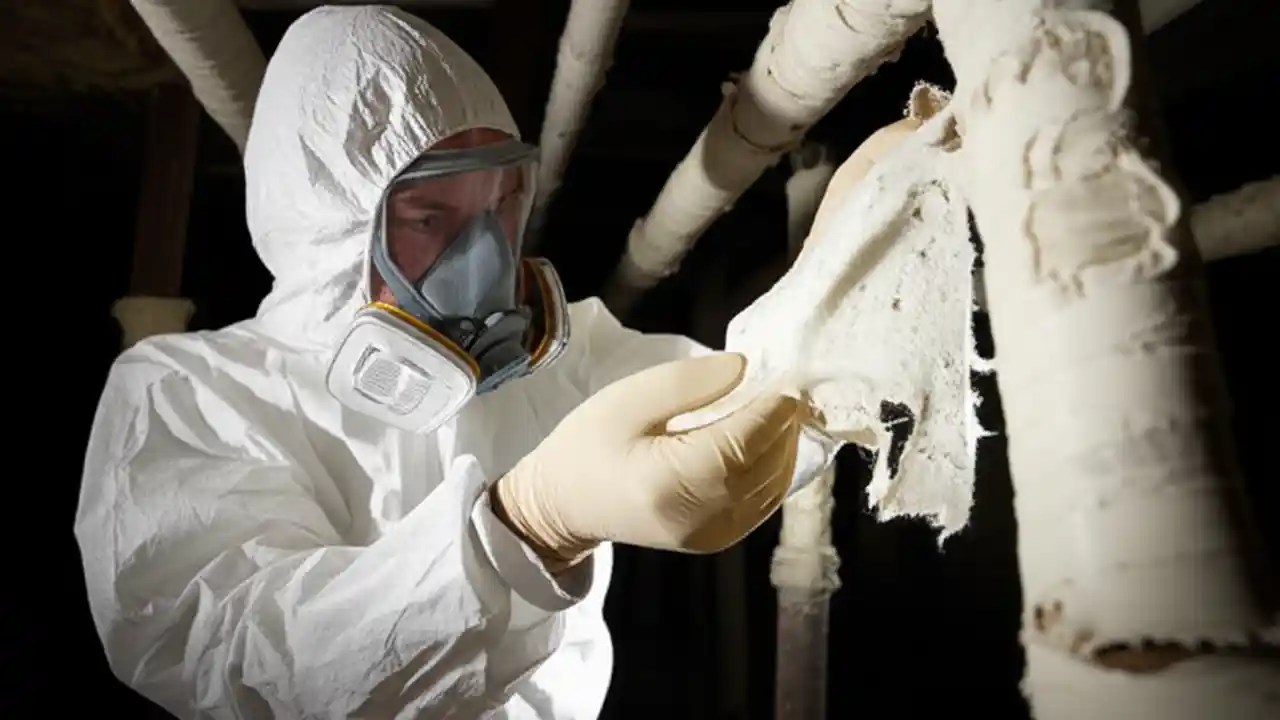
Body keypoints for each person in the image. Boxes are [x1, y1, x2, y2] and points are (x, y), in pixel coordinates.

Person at [74, 6, 911, 719]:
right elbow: (246, 658)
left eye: (499, 206)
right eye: (432, 217)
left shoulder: (567, 354)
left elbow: (759, 390)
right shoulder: (186, 395)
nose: (483, 260)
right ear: (327, 222)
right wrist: (527, 529)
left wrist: (859, 283)